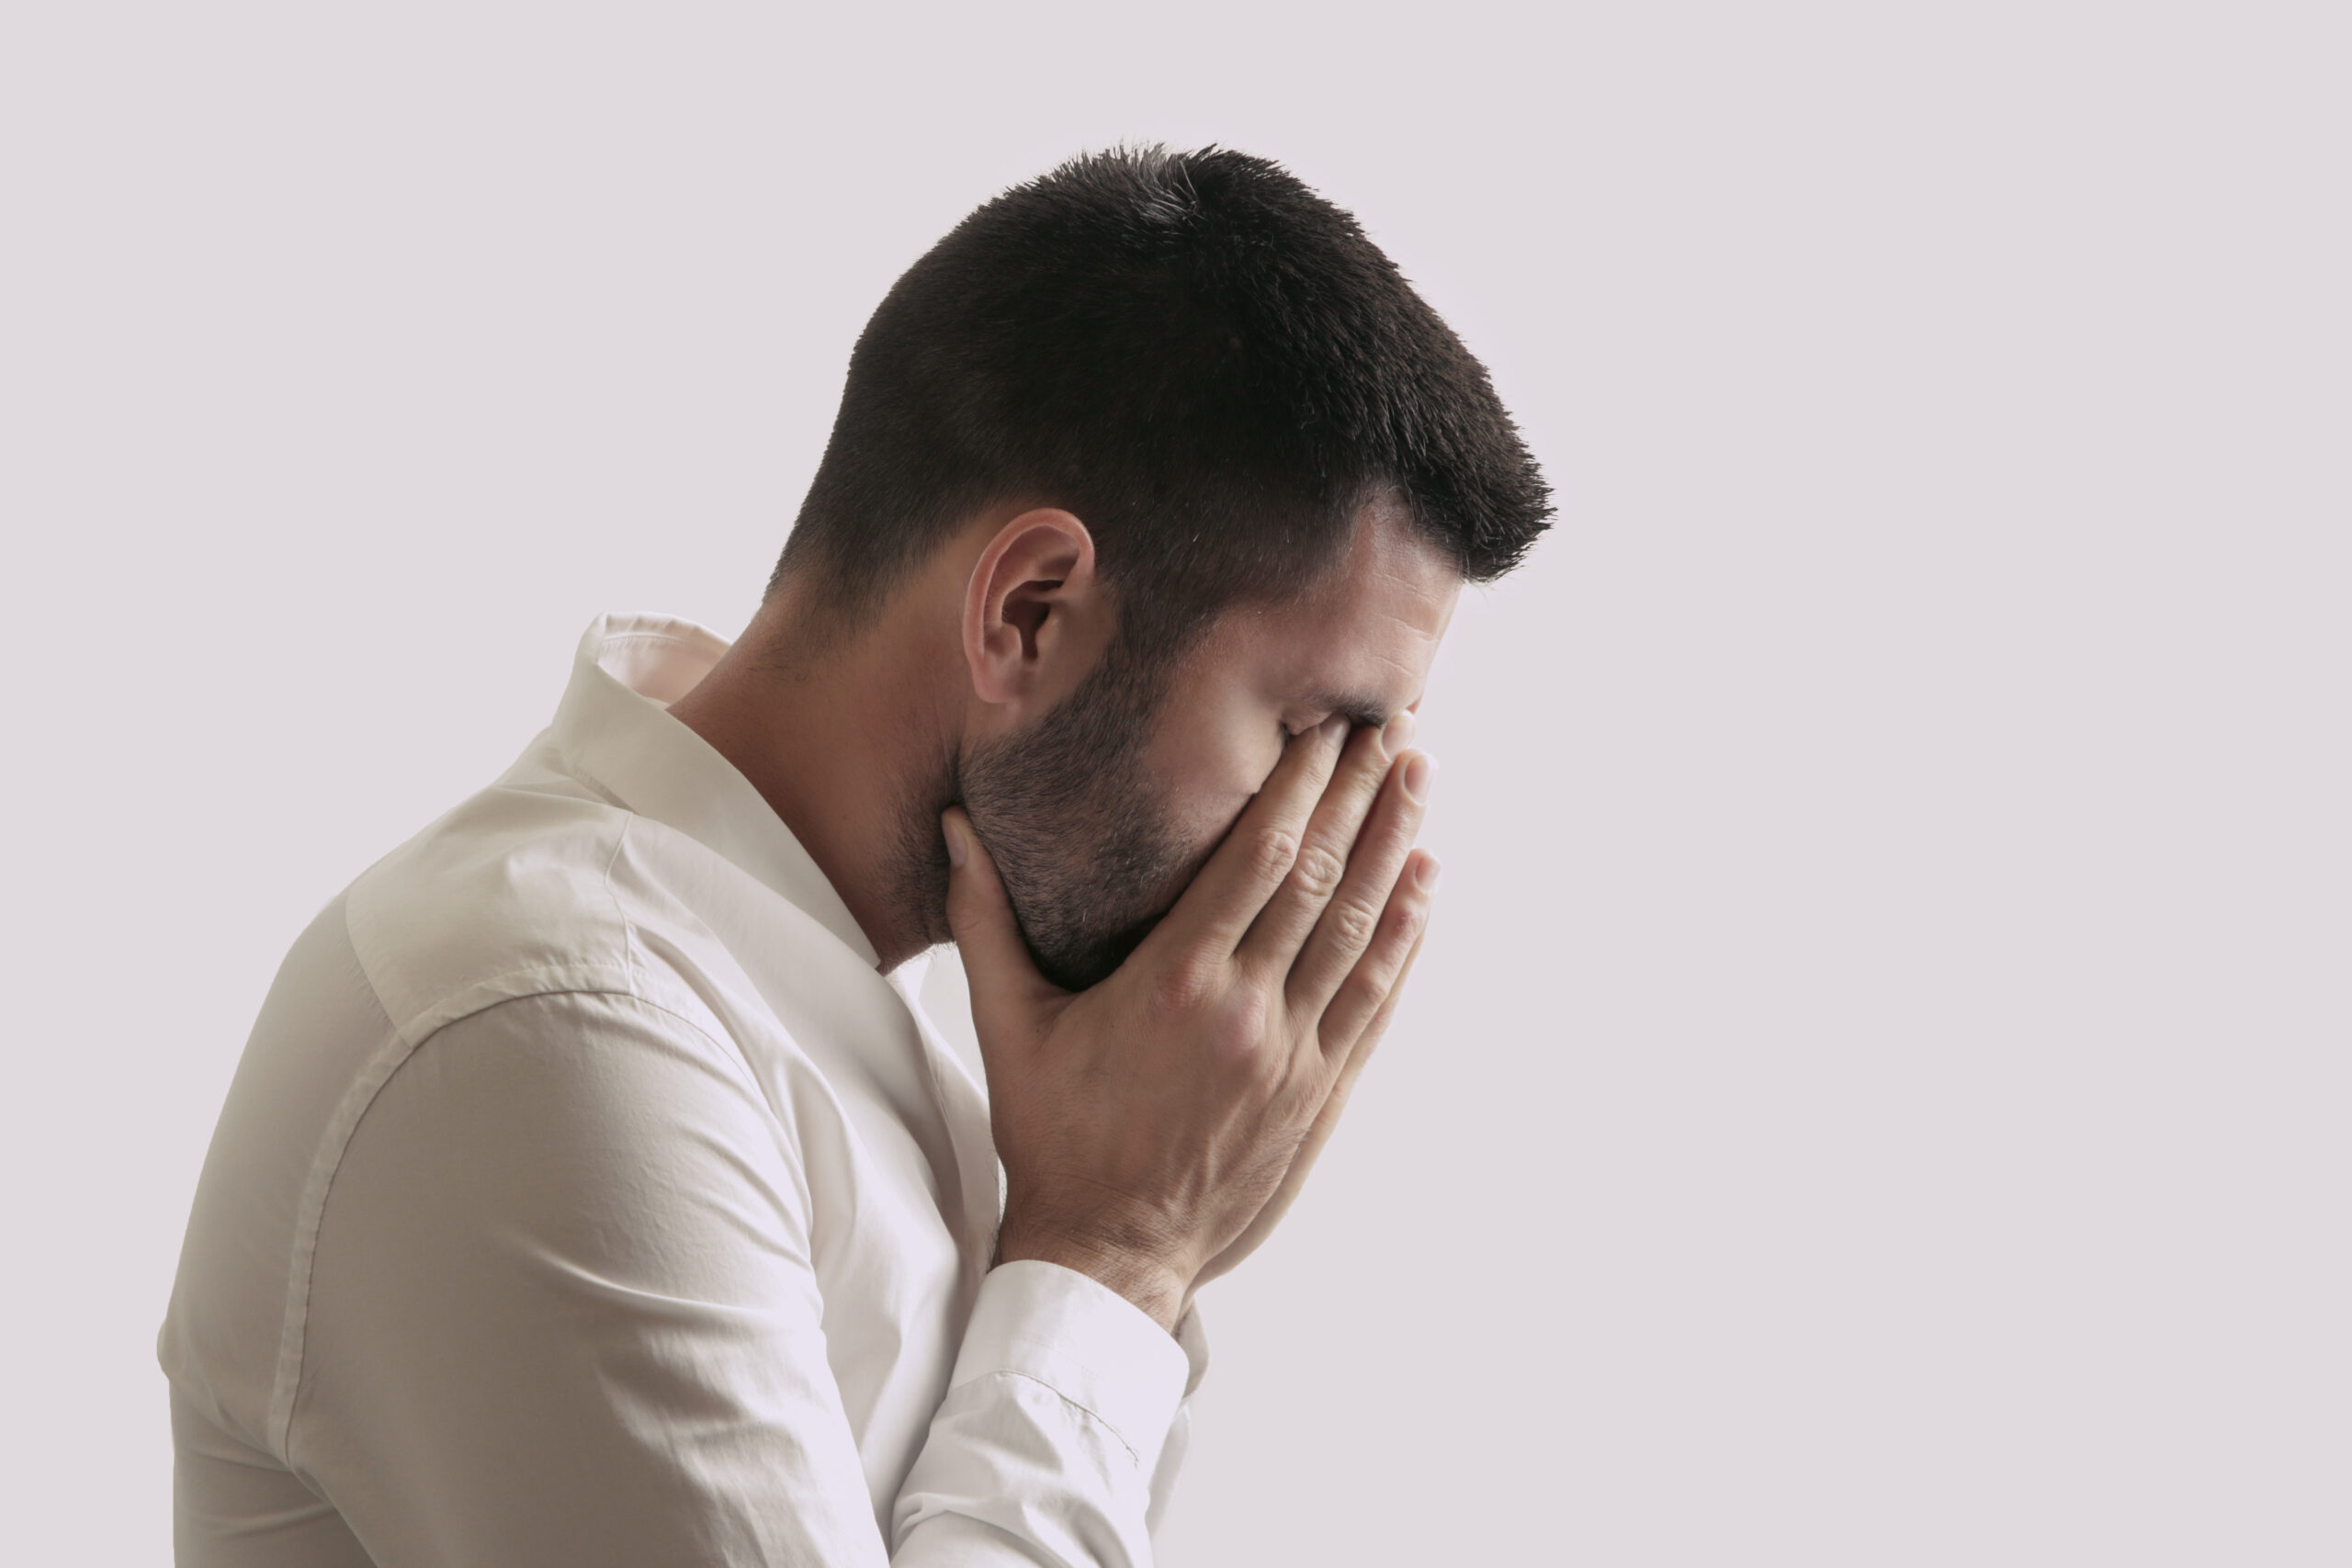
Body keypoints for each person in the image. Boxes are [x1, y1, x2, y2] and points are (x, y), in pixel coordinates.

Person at [158, 145, 1552, 1566]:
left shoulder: (868, 1053)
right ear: (1028, 613)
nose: (1326, 839)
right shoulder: (551, 1022)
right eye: (1312, 733)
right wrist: (1118, 1259)